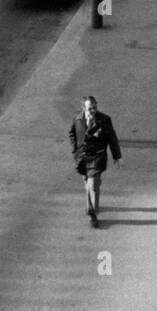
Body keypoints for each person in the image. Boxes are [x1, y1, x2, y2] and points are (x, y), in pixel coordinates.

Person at [68, 95, 122, 227]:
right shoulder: (77, 119)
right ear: (83, 108)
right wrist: (75, 150)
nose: (93, 111)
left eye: (95, 108)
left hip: (97, 158)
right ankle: (91, 204)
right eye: (90, 108)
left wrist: (117, 156)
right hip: (82, 158)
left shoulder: (104, 120)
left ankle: (93, 213)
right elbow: (72, 133)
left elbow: (112, 138)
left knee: (92, 185)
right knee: (88, 183)